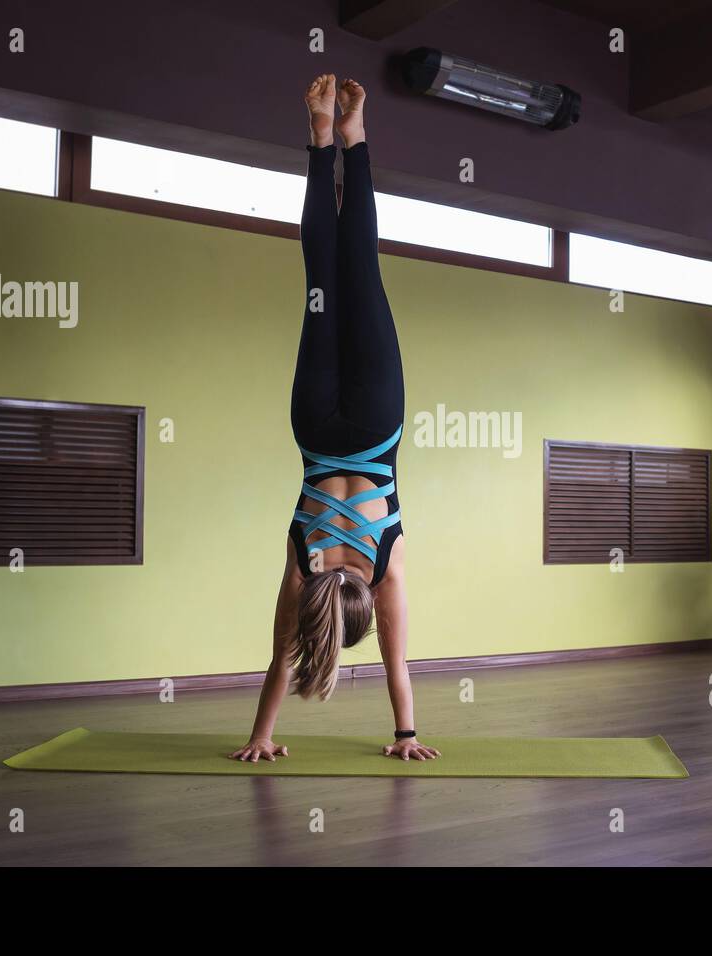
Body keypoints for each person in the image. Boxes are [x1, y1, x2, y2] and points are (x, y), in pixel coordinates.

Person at [229, 75, 441, 764]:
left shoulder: (383, 570)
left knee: (361, 270)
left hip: (376, 417)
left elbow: (396, 665)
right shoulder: (304, 566)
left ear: (360, 608)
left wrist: (407, 735)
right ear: (324, 608)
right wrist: (260, 736)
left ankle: (353, 135)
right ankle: (322, 136)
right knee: (324, 273)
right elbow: (280, 663)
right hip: (316, 423)